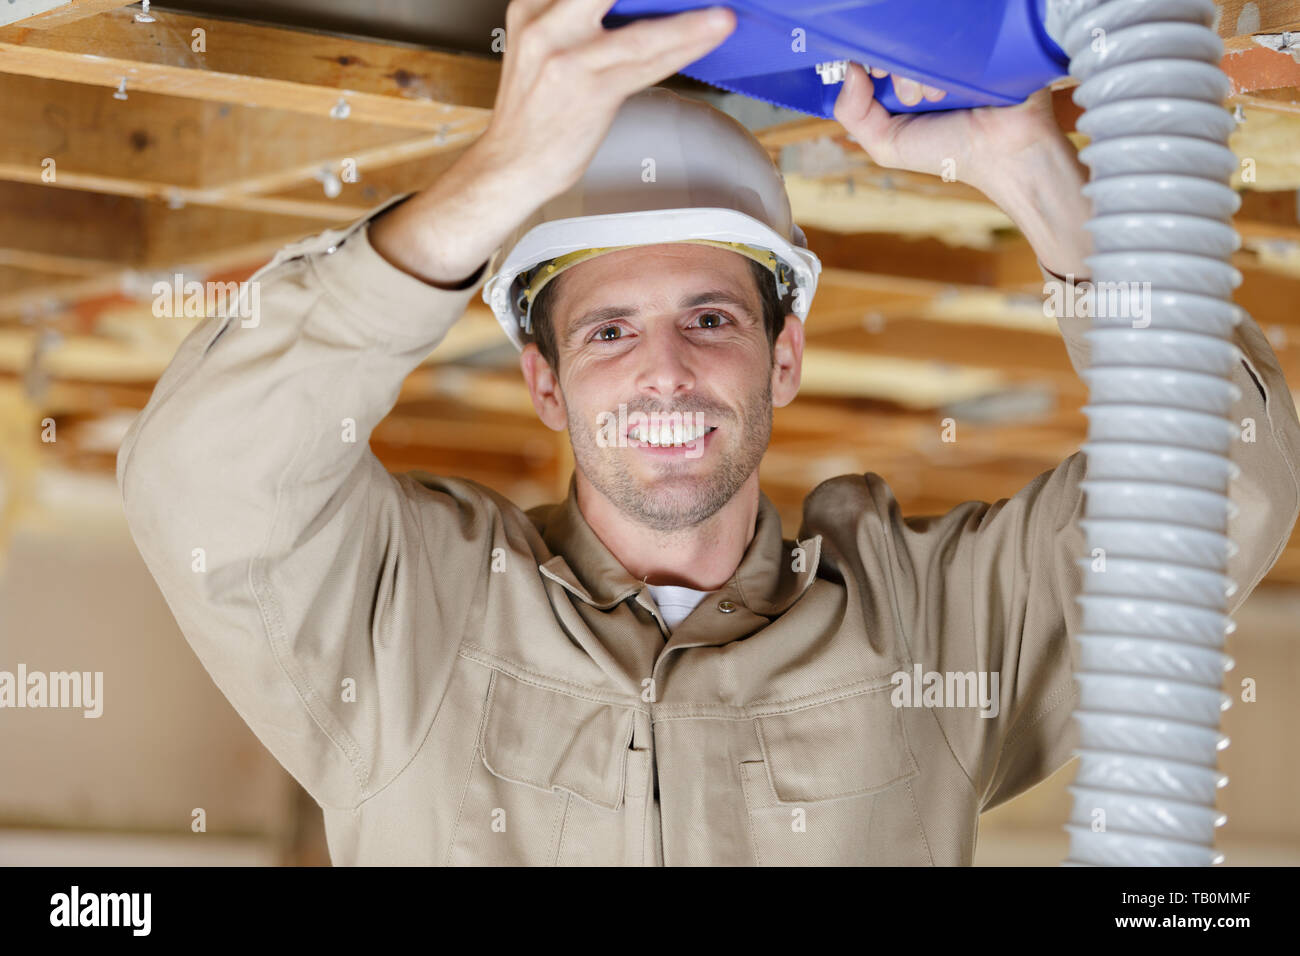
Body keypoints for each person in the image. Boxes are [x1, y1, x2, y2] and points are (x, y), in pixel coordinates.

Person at [117, 0, 1300, 865]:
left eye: (711, 316)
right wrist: (499, 173)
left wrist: (1035, 172)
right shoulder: (409, 622)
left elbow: (1223, 478)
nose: (666, 369)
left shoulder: (932, 630)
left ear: (784, 354)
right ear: (543, 381)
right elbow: (202, 476)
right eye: (608, 332)